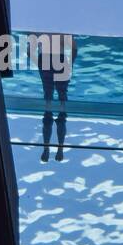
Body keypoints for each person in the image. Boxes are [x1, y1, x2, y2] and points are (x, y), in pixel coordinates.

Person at [34, 32, 77, 162]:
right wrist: (70, 64)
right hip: (59, 57)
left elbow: (31, 43)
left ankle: (48, 147)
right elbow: (74, 48)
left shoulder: (40, 26)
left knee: (48, 98)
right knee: (62, 98)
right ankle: (59, 148)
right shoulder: (62, 28)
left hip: (45, 57)